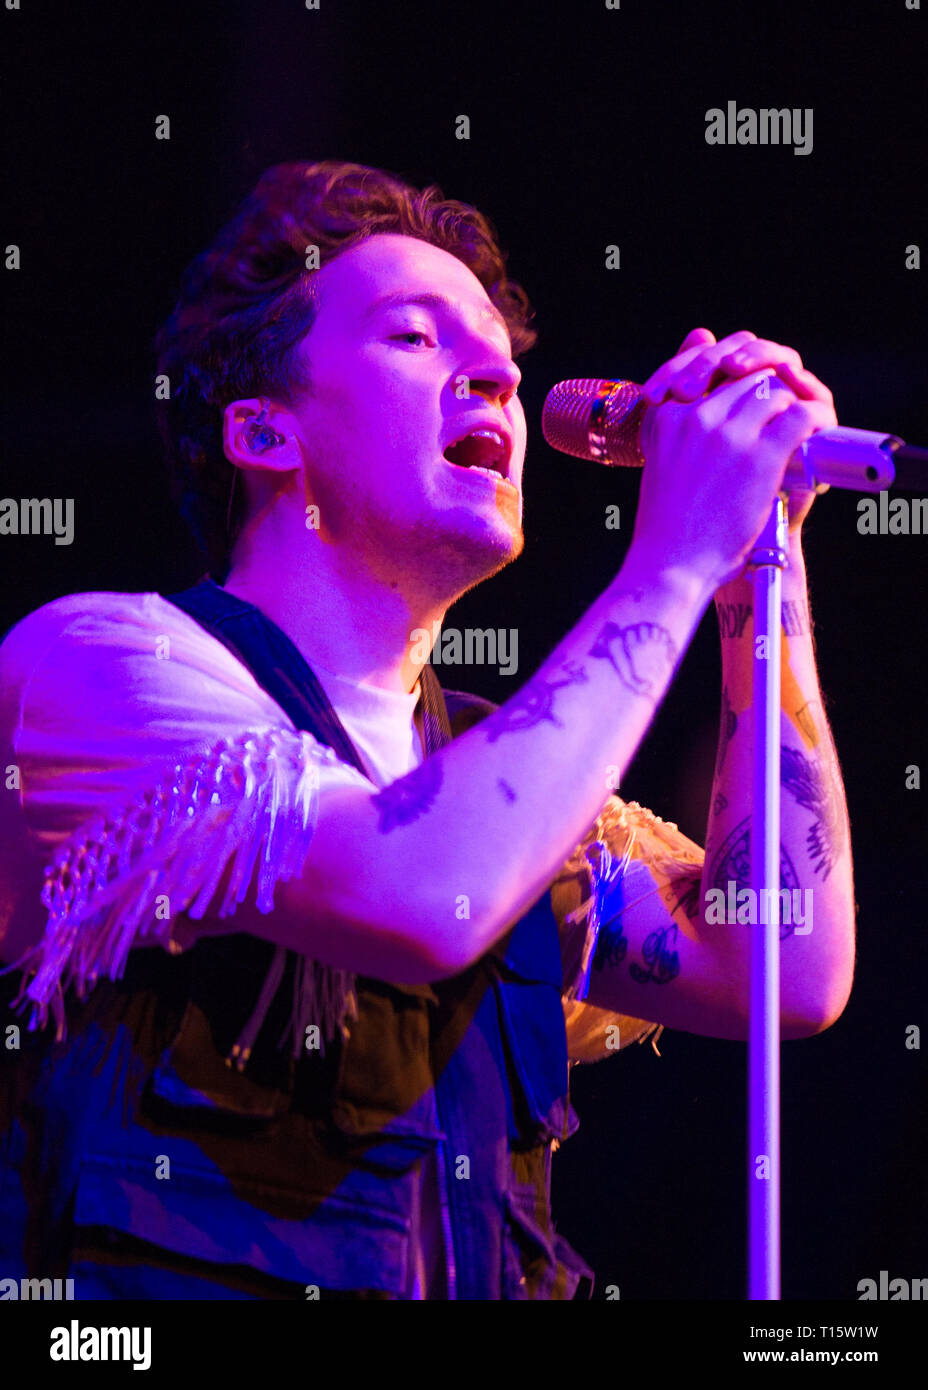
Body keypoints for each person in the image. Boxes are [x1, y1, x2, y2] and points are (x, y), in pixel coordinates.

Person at [0, 160, 855, 1300]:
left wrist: (763, 570)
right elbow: (414, 891)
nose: (497, 372)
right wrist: (672, 559)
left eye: (501, 351)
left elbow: (781, 966)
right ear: (262, 432)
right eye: (414, 338)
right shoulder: (98, 670)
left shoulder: (506, 790)